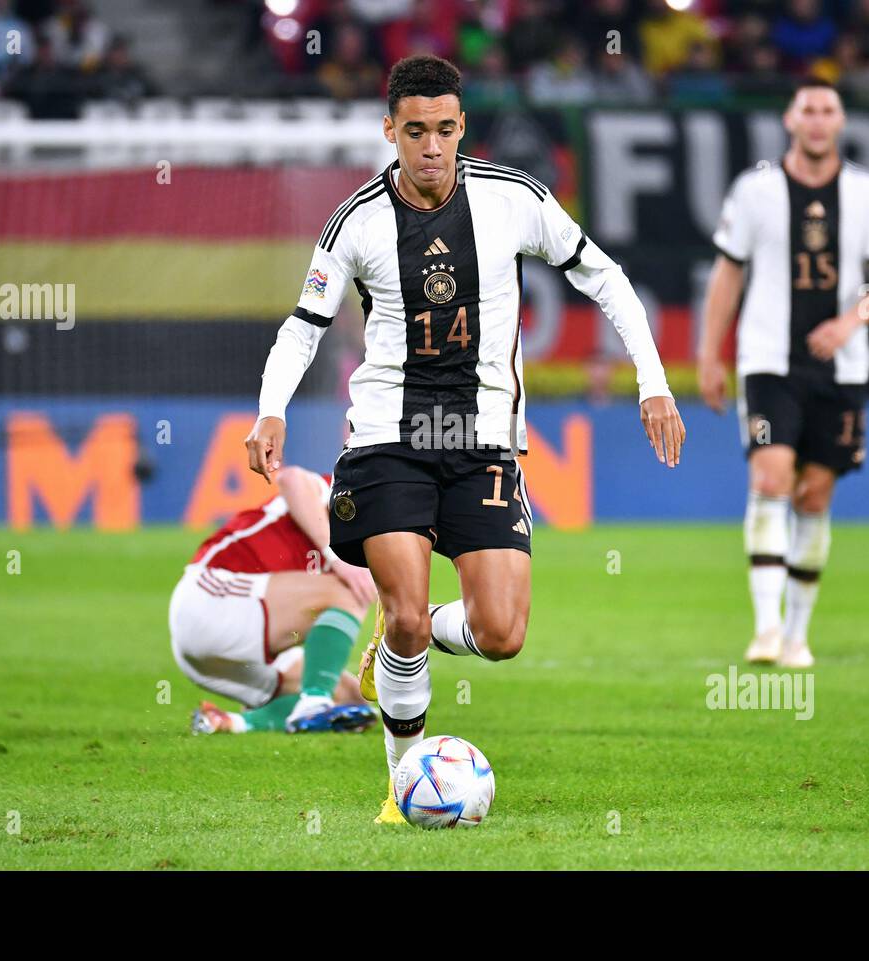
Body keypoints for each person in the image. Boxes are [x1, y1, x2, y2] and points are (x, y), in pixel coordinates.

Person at [245, 55, 683, 823]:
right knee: (410, 613)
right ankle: (398, 786)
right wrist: (271, 407)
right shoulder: (356, 222)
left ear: (461, 128)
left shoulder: (514, 199)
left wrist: (652, 379)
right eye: (415, 132)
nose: (431, 147)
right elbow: (303, 325)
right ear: (390, 130)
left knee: (502, 633)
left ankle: (393, 649)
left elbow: (604, 275)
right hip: (390, 440)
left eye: (445, 130)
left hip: (485, 442)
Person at [698, 78, 869, 669]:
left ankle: (796, 635)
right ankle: (765, 631)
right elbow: (727, 276)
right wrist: (710, 354)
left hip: (840, 369)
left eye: (828, 110)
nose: (817, 120)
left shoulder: (867, 193)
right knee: (770, 478)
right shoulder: (756, 190)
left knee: (815, 494)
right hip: (767, 361)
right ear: (790, 119)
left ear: (840, 122)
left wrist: (850, 322)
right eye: (807, 109)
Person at [172, 465, 378, 734]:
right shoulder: (346, 492)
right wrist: (336, 558)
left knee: (351, 701)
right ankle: (315, 703)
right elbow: (290, 479)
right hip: (211, 596)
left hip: (218, 649)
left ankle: (230, 723)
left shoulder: (374, 535)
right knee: (350, 587)